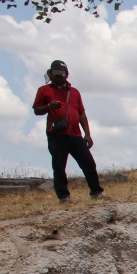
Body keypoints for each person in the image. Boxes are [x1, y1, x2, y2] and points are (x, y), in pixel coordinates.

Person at [32, 60, 104, 203]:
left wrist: (87, 134)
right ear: (51, 74)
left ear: (67, 75)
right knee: (59, 166)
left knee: (88, 163)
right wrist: (48, 107)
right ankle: (64, 197)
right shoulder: (44, 90)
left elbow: (81, 113)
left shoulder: (74, 92)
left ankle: (96, 193)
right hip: (56, 135)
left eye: (61, 74)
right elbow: (36, 110)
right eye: (56, 74)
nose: (59, 77)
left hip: (75, 134)